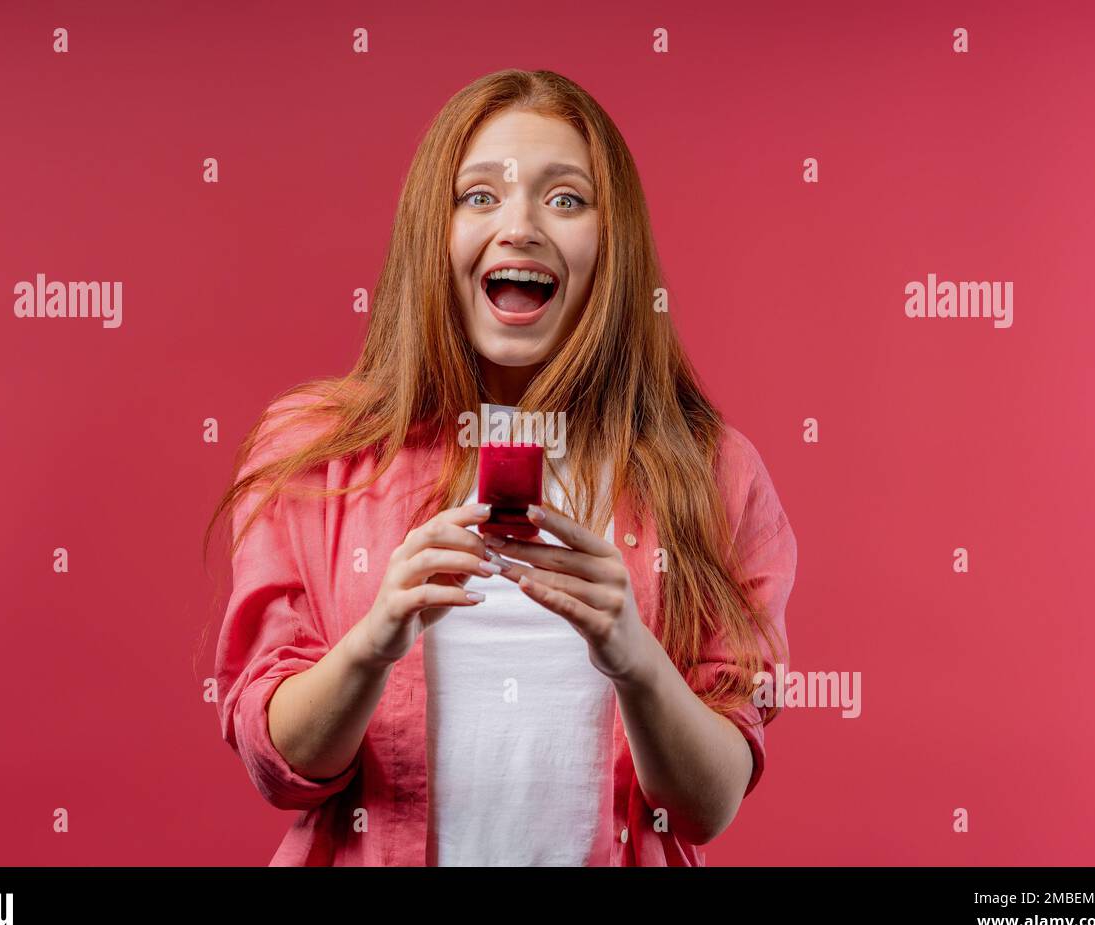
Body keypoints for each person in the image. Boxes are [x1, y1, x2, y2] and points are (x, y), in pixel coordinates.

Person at [205, 68, 797, 866]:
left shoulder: (714, 471)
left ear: (613, 243)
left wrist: (635, 657)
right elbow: (279, 766)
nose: (520, 227)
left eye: (566, 199)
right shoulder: (314, 450)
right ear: (433, 233)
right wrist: (373, 642)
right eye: (479, 196)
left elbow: (708, 805)